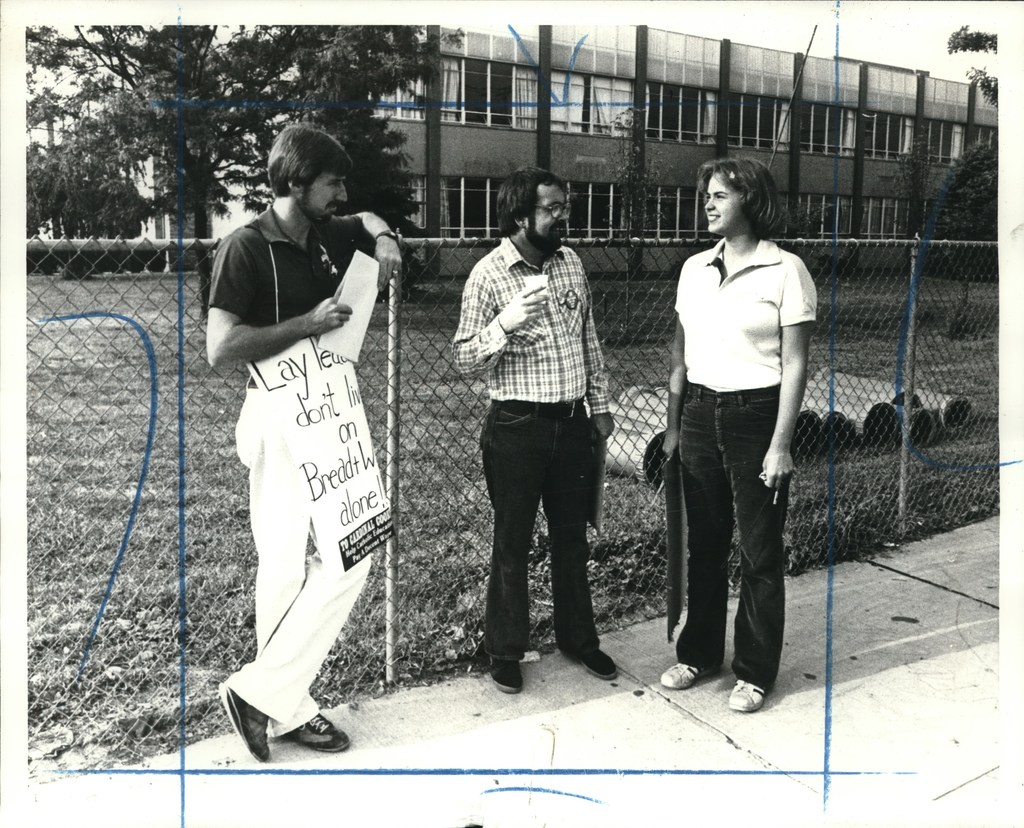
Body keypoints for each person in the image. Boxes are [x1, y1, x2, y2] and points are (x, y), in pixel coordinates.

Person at [206, 123, 402, 760]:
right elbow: (221, 347)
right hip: (275, 417)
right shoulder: (244, 246)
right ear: (296, 181)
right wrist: (306, 325)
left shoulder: (326, 233)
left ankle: (262, 694)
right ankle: (285, 709)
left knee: (357, 552)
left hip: (327, 415)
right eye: (332, 180)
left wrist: (386, 237)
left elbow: (369, 215)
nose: (343, 192)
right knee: (284, 566)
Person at [452, 166, 618, 695]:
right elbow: (463, 359)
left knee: (571, 539)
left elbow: (588, 337)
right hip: (517, 427)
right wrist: (504, 324)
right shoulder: (489, 275)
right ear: (522, 215)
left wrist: (601, 405)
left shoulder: (571, 264)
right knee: (512, 543)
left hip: (571, 425)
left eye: (565, 205)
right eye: (553, 208)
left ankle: (578, 639)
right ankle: (505, 649)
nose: (564, 215)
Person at [660, 158, 816, 713]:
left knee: (758, 552)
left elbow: (796, 364)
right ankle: (698, 653)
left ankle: (753, 671)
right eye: (707, 193)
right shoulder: (694, 269)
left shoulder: (785, 270)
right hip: (700, 415)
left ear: (750, 200)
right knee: (704, 547)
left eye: (720, 195)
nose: (707, 202)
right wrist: (675, 427)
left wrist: (781, 443)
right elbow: (680, 355)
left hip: (755, 419)